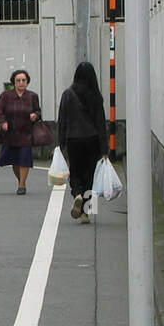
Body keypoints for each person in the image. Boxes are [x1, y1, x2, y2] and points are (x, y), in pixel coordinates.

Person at [56, 61, 107, 224]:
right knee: (90, 175)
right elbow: (101, 123)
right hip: (93, 139)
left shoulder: (68, 94)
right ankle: (86, 213)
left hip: (73, 139)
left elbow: (62, 120)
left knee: (75, 170)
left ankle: (76, 193)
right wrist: (105, 148)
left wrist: (60, 143)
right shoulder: (96, 96)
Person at [0, 69, 43, 194]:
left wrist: (35, 115)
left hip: (26, 132)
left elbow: (38, 111)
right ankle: (21, 180)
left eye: (23, 80)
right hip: (11, 132)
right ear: (14, 82)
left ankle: (22, 186)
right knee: (14, 160)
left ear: (27, 82)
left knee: (24, 159)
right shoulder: (6, 96)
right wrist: (3, 122)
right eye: (18, 80)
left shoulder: (32, 96)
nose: (21, 83)